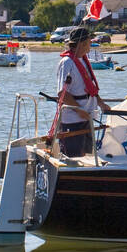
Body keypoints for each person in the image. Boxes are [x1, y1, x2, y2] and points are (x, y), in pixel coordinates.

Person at [54, 25, 111, 157]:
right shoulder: (67, 62)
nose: (90, 44)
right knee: (74, 157)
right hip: (73, 120)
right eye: (89, 42)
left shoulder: (84, 60)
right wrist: (79, 110)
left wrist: (101, 103)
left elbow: (91, 88)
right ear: (81, 43)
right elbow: (62, 93)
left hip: (87, 116)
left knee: (88, 155)